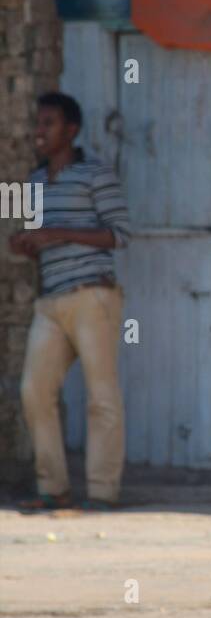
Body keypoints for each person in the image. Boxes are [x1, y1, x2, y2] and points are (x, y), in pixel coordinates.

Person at [10, 92, 130, 512]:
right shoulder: (35, 180)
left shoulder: (96, 173)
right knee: (34, 391)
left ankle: (101, 493)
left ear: (71, 130)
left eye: (48, 124)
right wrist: (27, 242)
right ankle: (54, 489)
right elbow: (34, 236)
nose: (39, 131)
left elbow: (119, 234)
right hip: (51, 300)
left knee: (101, 396)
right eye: (38, 123)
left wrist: (58, 233)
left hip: (92, 295)